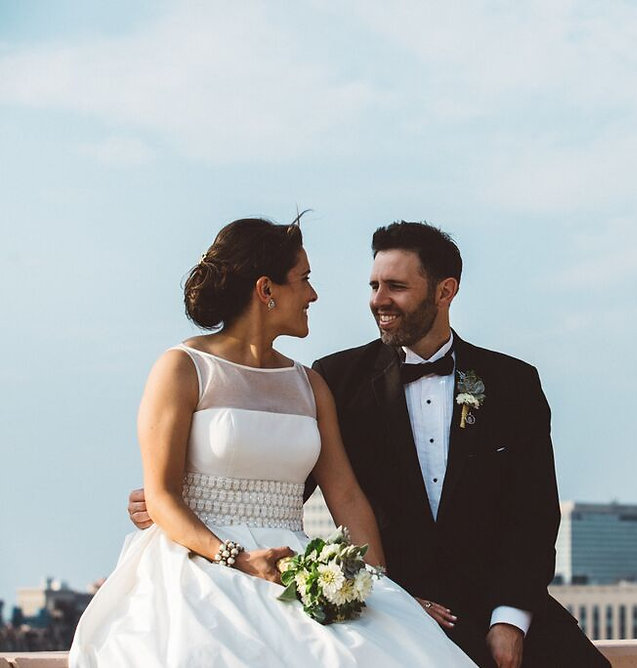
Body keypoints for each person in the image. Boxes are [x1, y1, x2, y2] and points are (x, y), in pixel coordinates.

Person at [130, 221, 610, 667]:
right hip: (395, 601)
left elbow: (534, 514)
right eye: (374, 286)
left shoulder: (512, 384)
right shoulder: (336, 378)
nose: (379, 299)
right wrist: (175, 503)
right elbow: (280, 482)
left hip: (493, 607)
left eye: (396, 287)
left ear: (446, 291)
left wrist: (509, 619)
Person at [73, 218, 474, 667]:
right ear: (267, 290)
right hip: (197, 564)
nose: (313, 295)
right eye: (304, 280)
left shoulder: (311, 385)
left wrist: (383, 593)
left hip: (296, 564)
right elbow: (163, 497)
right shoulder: (182, 368)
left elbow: (347, 498)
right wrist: (240, 560)